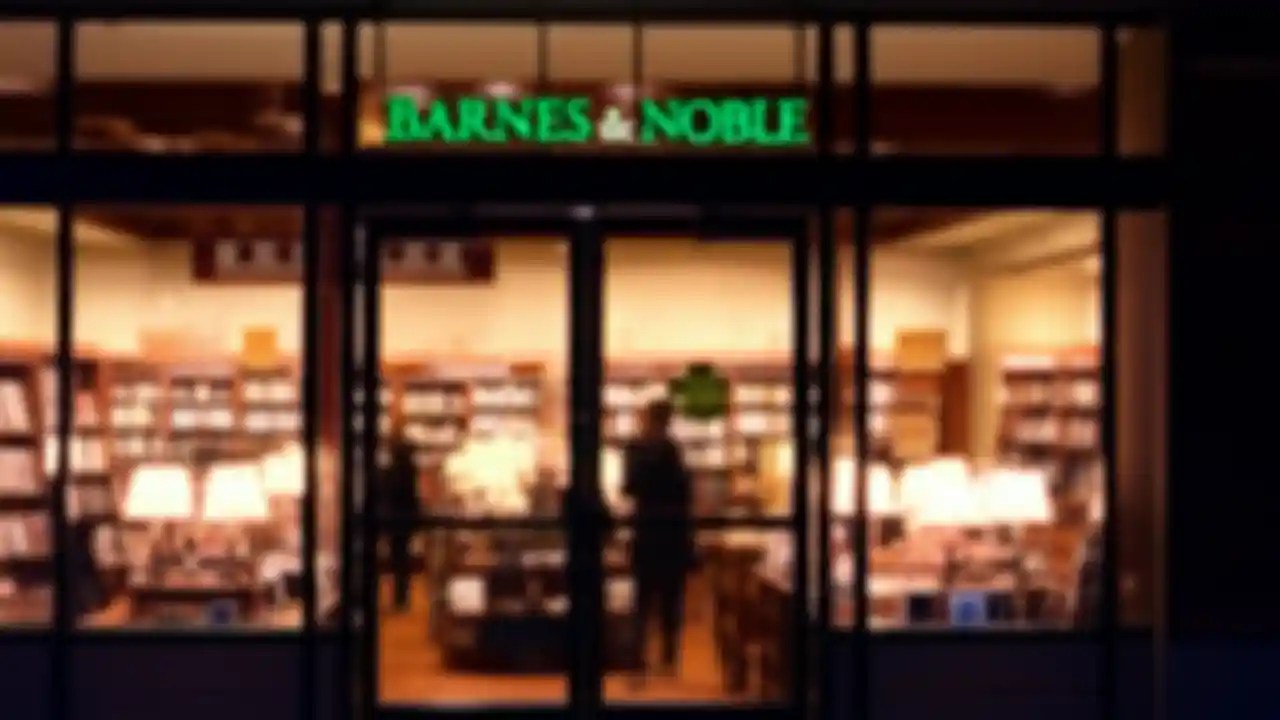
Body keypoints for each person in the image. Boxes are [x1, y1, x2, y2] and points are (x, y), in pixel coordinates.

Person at [623, 399, 693, 683]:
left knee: (642, 601)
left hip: (647, 532)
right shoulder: (674, 451)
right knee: (670, 602)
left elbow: (629, 488)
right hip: (673, 534)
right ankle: (668, 659)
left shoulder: (636, 449)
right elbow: (684, 494)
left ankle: (640, 659)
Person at [380, 427, 420, 612]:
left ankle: (399, 598)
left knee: (396, 559)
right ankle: (401, 598)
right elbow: (413, 497)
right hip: (406, 519)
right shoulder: (410, 471)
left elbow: (388, 492)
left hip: (393, 518)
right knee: (402, 560)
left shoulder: (392, 471)